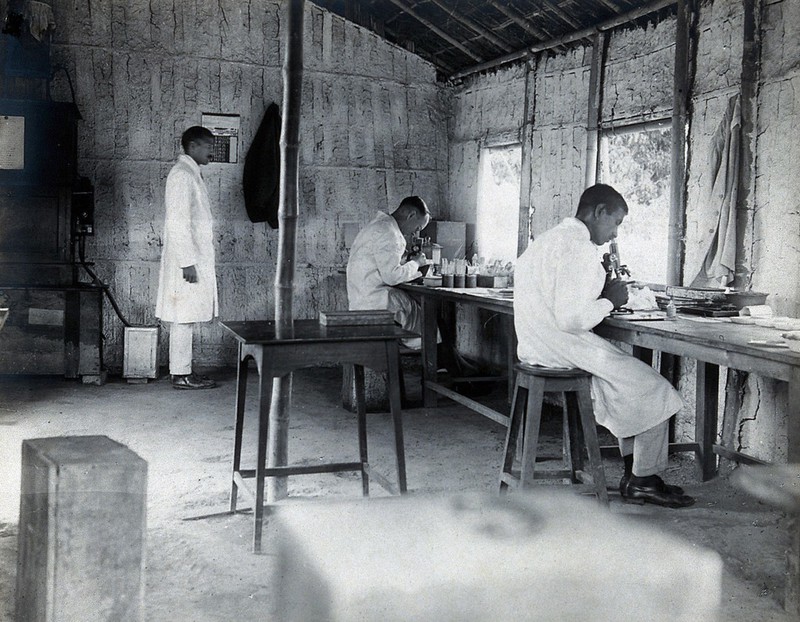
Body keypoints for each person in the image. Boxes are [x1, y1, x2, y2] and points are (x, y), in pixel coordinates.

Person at [514, 184, 693, 508]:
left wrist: (600, 294)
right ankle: (643, 480)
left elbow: (561, 301)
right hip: (561, 346)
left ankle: (634, 476)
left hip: (535, 345)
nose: (613, 234)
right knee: (654, 389)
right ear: (598, 212)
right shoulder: (579, 248)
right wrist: (610, 300)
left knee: (623, 386)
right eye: (616, 223)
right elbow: (570, 319)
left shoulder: (547, 240)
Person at [346, 196, 475, 378]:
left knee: (434, 321)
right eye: (417, 227)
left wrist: (407, 262)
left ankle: (458, 370)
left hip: (364, 299)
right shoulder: (389, 233)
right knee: (432, 322)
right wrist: (415, 263)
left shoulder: (378, 226)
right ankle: (456, 375)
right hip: (378, 302)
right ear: (411, 214)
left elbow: (384, 265)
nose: (415, 233)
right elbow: (392, 276)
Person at [155, 126, 219, 390]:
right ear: (193, 147)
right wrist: (187, 262)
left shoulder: (191, 174)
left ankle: (184, 371)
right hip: (187, 260)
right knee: (183, 315)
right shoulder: (182, 176)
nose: (211, 153)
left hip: (193, 257)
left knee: (187, 314)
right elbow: (177, 222)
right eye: (207, 147)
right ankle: (181, 374)